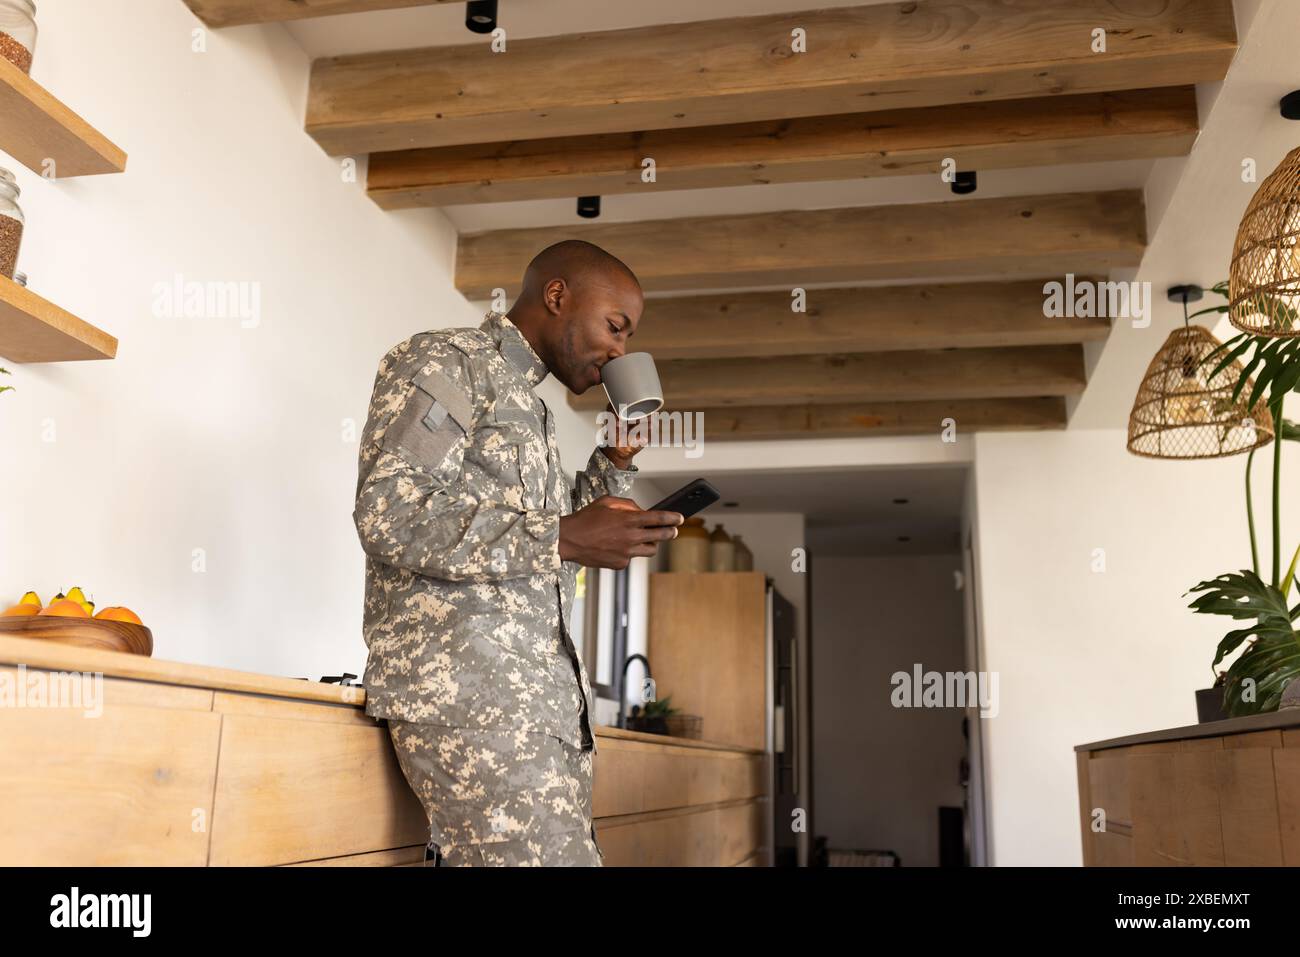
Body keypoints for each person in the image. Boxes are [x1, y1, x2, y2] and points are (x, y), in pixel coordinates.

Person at [352, 239, 683, 866]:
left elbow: (543, 535)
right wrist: (561, 535)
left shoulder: (532, 408)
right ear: (557, 296)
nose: (619, 351)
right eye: (615, 328)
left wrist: (614, 461)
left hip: (540, 711)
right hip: (473, 703)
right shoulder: (449, 362)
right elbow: (389, 513)